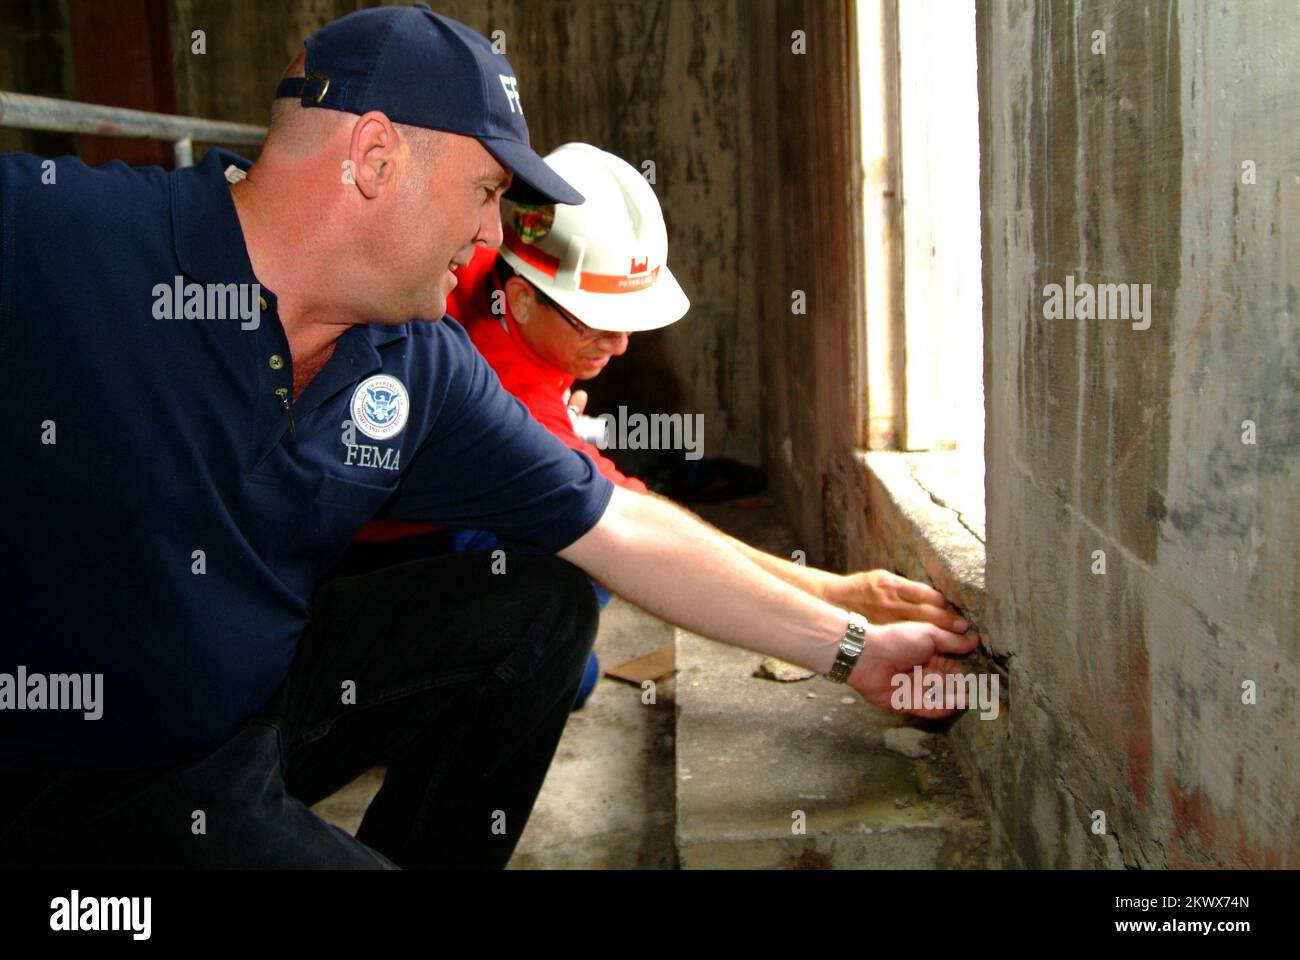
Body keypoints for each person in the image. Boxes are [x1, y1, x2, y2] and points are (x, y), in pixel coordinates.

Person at [0, 4, 976, 870]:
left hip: (260, 701)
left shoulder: (414, 364)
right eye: (483, 194)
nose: (491, 238)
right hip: (95, 775)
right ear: (375, 159)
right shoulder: (63, 238)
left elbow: (619, 529)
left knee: (543, 608)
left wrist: (851, 646)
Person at [354, 142, 972, 706]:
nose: (619, 346)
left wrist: (850, 595)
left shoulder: (480, 254)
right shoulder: (505, 397)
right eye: (595, 322)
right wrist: (844, 610)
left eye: (629, 321)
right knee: (569, 639)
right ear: (520, 300)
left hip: (387, 525)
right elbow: (643, 537)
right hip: (362, 568)